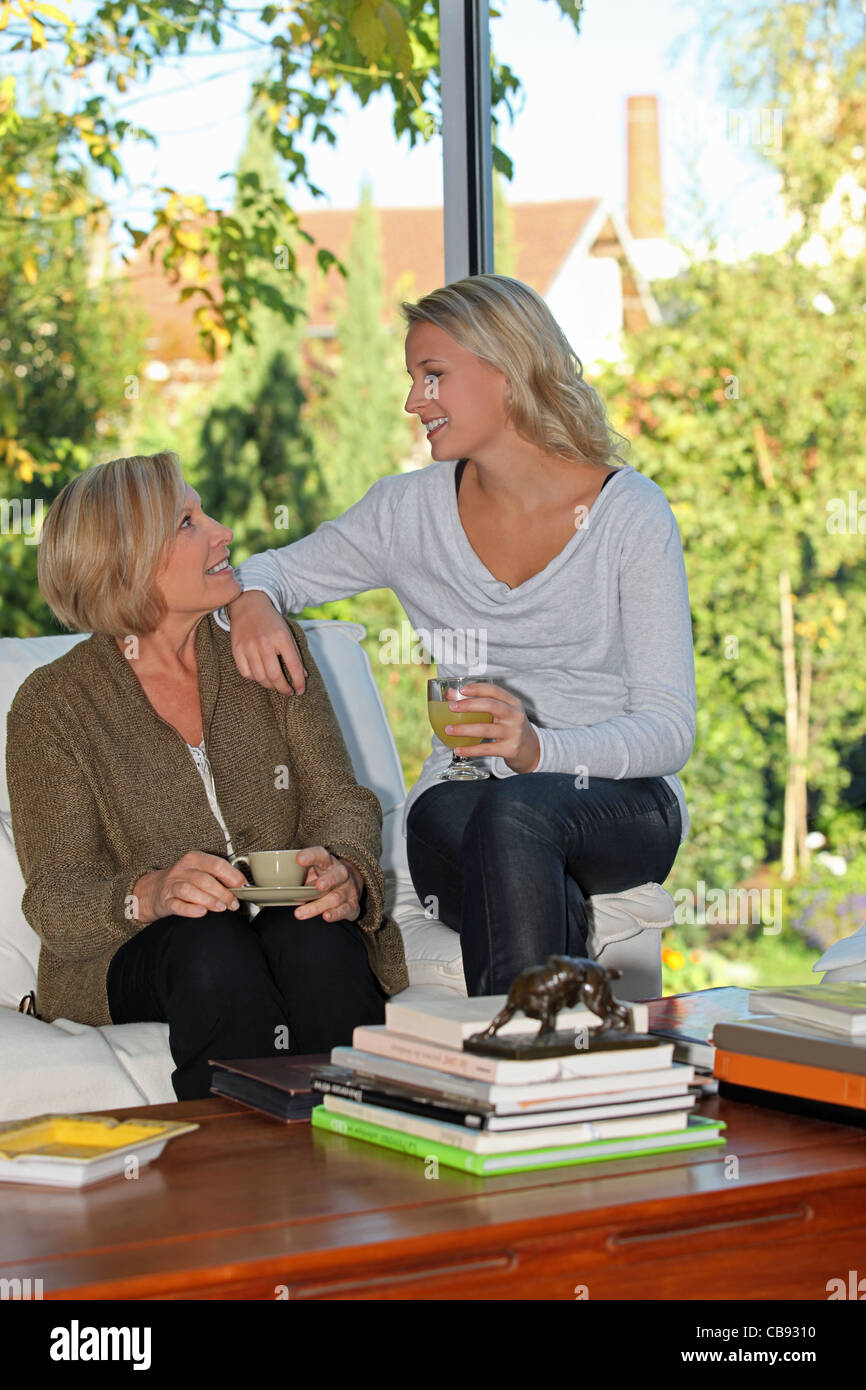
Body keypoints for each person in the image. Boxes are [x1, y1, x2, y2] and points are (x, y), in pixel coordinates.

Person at [220, 274, 696, 996]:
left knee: (522, 809)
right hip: (461, 806)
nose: (415, 401)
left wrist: (540, 750)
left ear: (506, 373)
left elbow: (669, 727)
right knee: (510, 833)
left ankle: (519, 1069)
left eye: (433, 375)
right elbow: (274, 569)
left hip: (616, 803)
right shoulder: (405, 513)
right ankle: (552, 1061)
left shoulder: (629, 514)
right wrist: (254, 597)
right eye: (414, 379)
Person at [5, 452, 407, 1100]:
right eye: (188, 522)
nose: (222, 532)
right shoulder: (52, 707)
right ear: (126, 563)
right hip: (135, 956)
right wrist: (155, 891)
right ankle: (234, 1185)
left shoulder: (265, 643)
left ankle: (371, 1150)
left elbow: (338, 797)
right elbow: (57, 899)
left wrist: (349, 870)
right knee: (210, 941)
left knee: (314, 938)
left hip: (276, 927)